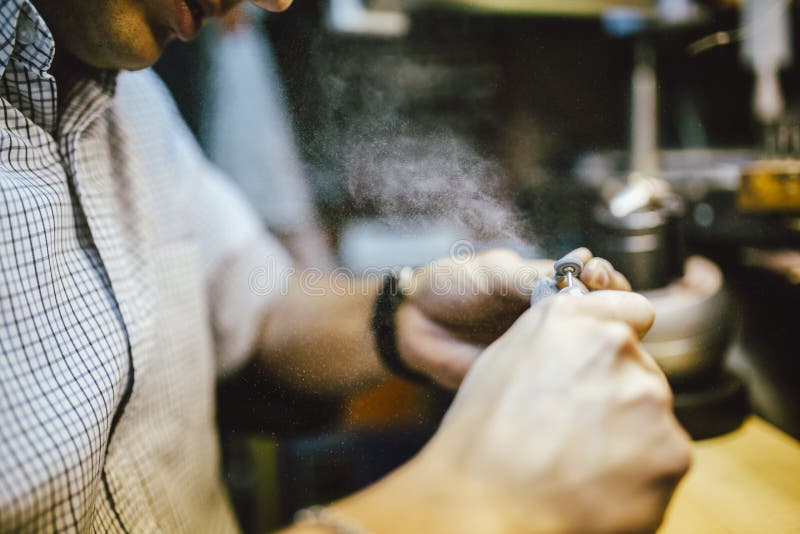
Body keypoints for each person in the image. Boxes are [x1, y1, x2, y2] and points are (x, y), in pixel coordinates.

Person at [0, 0, 690, 533]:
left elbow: (257, 299)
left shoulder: (135, 99)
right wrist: (474, 503)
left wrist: (400, 312)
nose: (273, 3)